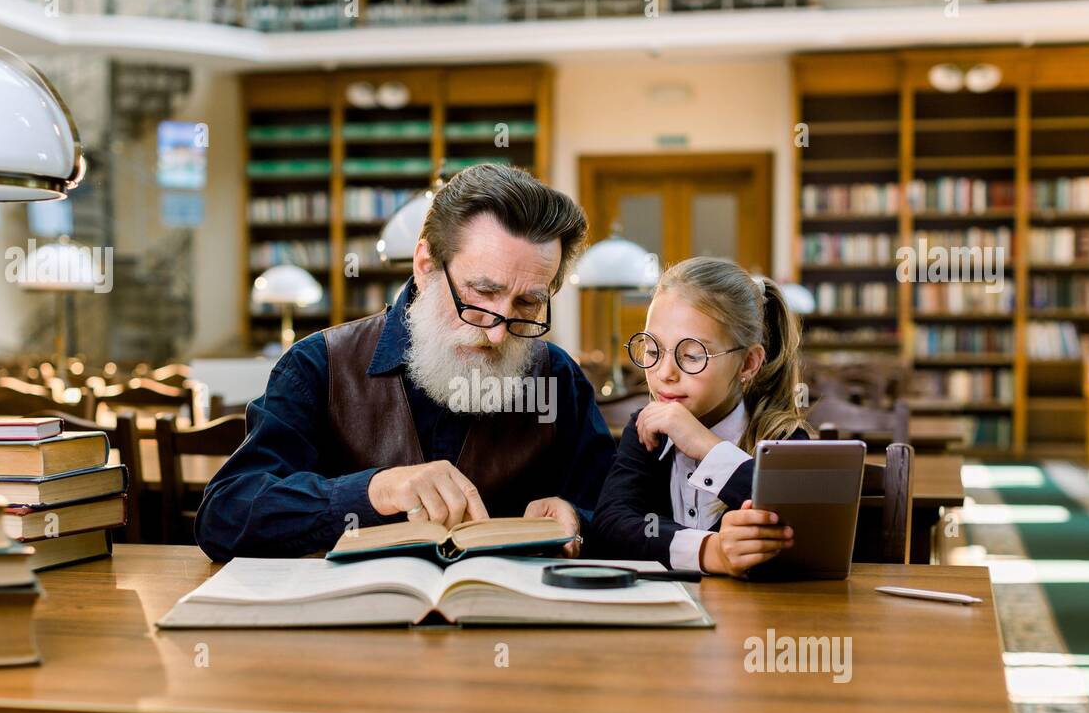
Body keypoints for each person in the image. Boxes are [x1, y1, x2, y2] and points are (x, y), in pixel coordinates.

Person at [196, 164, 616, 561]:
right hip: (350, 627)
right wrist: (375, 491)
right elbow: (226, 516)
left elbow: (620, 520)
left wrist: (580, 521)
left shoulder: (556, 378)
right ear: (426, 265)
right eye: (481, 293)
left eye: (526, 303)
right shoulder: (318, 366)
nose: (497, 332)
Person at [591, 256, 809, 576]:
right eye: (652, 350)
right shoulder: (647, 429)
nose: (665, 373)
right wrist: (710, 551)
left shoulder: (785, 439)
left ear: (748, 363)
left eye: (692, 355)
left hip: (754, 621)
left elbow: (798, 527)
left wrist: (708, 447)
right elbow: (612, 526)